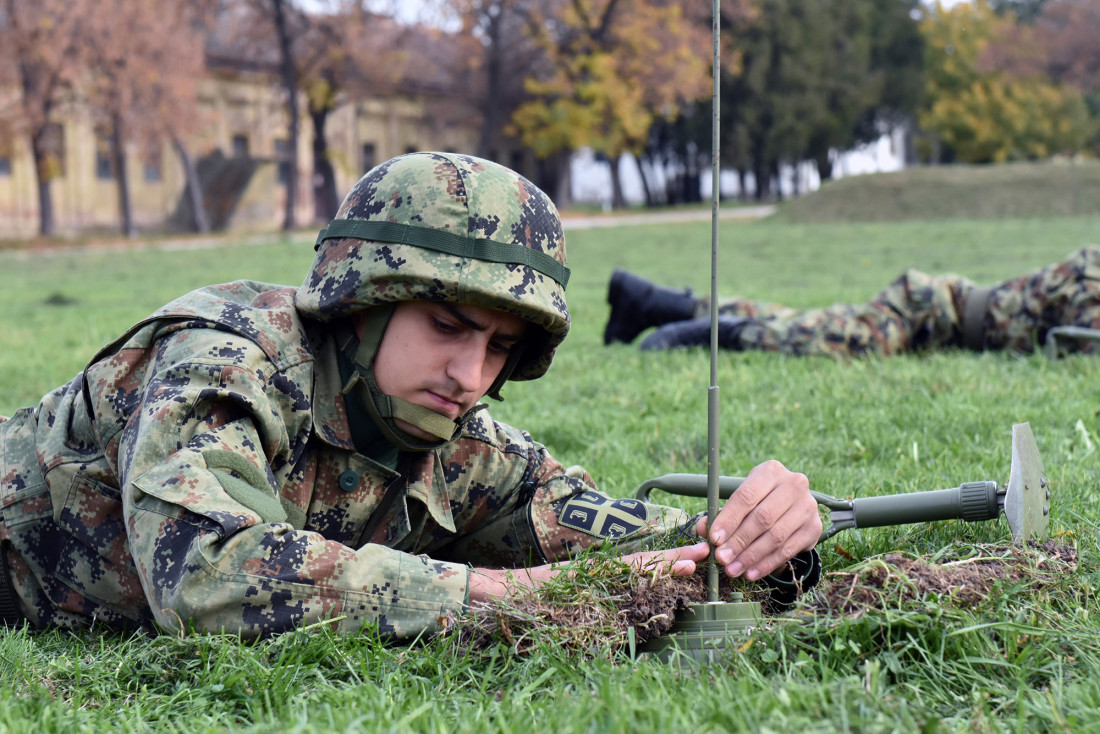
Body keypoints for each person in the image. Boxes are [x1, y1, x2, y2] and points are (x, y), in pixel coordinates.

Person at [0, 152, 821, 639]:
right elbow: (207, 578)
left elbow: (579, 520)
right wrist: (497, 598)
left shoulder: (456, 436)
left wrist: (758, 534)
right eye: (447, 325)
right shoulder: (224, 359)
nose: (471, 375)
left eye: (500, 347)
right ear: (364, 301)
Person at [604, 246, 1100, 356]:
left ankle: (655, 302)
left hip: (940, 320)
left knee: (805, 320)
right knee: (852, 340)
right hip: (931, 311)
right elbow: (1072, 340)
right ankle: (713, 333)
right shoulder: (1092, 271)